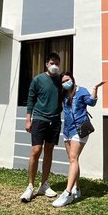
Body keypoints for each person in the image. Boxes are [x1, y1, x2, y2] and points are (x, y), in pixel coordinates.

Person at [52, 72, 105, 208]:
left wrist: (94, 90)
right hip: (67, 130)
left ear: (72, 79)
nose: (66, 83)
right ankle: (77, 188)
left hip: (80, 129)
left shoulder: (81, 91)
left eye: (67, 80)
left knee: (73, 159)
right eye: (63, 81)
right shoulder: (64, 93)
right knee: (73, 160)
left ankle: (68, 193)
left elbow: (91, 102)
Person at [21, 52, 62, 202]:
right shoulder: (38, 79)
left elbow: (69, 93)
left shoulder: (61, 80)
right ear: (46, 64)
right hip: (39, 119)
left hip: (55, 120)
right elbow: (30, 99)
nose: (55, 66)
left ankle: (44, 184)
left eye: (57, 63)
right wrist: (28, 119)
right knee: (36, 150)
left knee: (49, 150)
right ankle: (30, 186)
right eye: (52, 63)